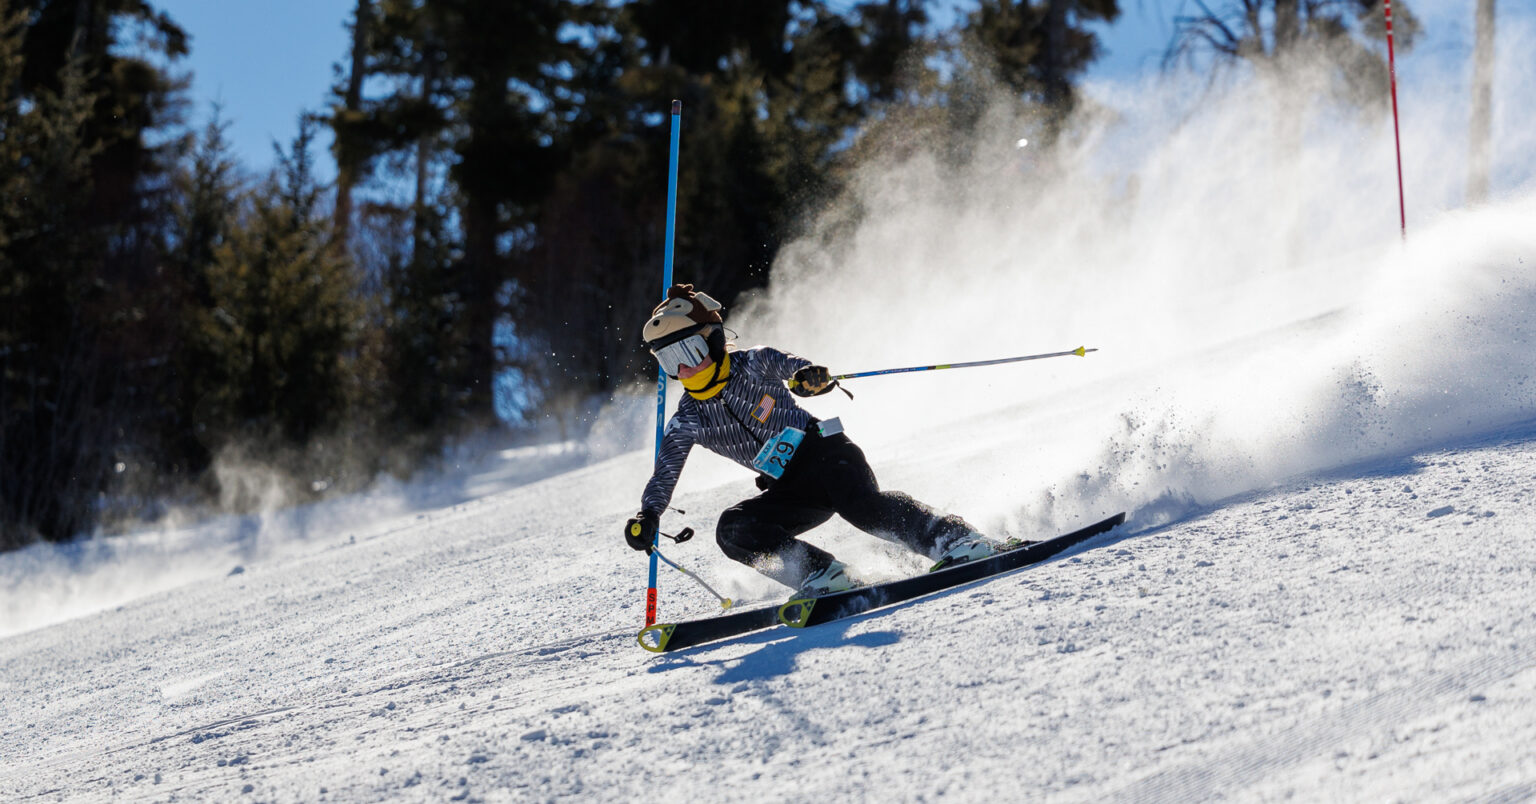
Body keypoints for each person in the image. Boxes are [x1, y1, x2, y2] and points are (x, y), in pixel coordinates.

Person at [624, 284, 1012, 597]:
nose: (685, 368)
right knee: (733, 529)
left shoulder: (750, 364)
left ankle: (957, 540)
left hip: (825, 452)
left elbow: (788, 364)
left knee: (863, 507)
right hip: (791, 488)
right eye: (669, 361)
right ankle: (822, 575)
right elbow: (665, 472)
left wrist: (806, 376)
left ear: (712, 340)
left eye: (689, 351)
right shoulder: (689, 417)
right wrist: (649, 515)